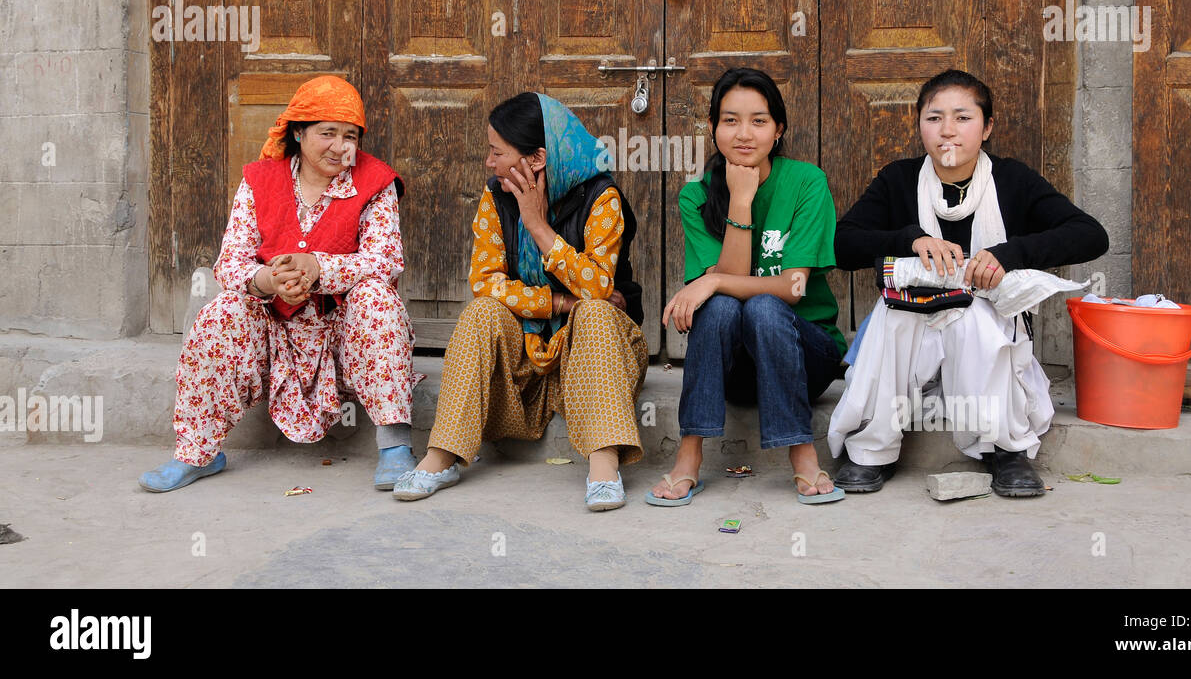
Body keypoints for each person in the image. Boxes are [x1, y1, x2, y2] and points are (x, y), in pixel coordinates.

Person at [828, 69, 1109, 496]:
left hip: (984, 327)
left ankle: (1005, 451)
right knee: (893, 313)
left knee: (975, 312)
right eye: (934, 118)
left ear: (987, 126)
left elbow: (1091, 235)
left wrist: (1008, 254)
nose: (947, 132)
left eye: (962, 118)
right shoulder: (898, 180)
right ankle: (871, 450)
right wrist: (910, 239)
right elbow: (844, 245)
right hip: (913, 328)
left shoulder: (1012, 180)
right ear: (919, 124)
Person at [139, 75, 418, 492]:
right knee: (223, 311)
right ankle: (198, 453)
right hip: (273, 336)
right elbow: (230, 261)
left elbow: (385, 261)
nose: (340, 147)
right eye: (327, 133)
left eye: (350, 136)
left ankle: (395, 447)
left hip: (338, 335)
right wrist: (266, 279)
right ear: (299, 132)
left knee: (377, 298)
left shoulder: (376, 183)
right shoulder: (259, 180)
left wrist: (317, 267)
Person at [393, 92, 649, 511]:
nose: (489, 163)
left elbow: (600, 289)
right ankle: (441, 457)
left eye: (497, 152)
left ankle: (604, 466)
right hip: (525, 355)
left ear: (537, 159)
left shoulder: (602, 198)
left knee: (597, 312)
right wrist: (559, 303)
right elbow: (486, 283)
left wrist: (536, 224)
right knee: (481, 313)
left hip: (594, 357)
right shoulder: (495, 198)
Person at [652, 68, 847, 507]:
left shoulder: (806, 183)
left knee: (762, 306)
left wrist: (716, 278)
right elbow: (720, 299)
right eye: (730, 120)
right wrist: (740, 201)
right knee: (721, 310)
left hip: (805, 356)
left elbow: (793, 289)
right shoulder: (697, 196)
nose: (744, 134)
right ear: (712, 127)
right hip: (733, 372)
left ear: (779, 130)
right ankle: (689, 455)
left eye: (759, 121)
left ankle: (801, 451)